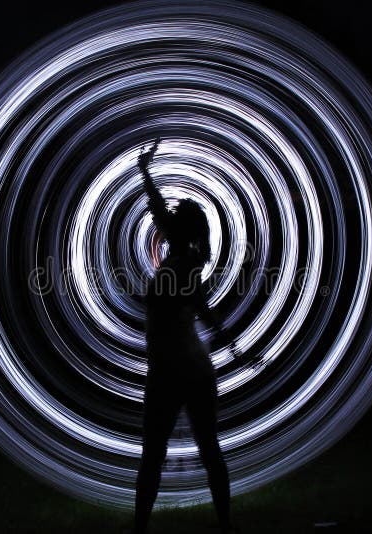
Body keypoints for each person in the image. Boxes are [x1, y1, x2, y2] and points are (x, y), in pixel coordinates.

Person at [134, 139, 240, 534]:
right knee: (193, 450)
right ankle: (223, 525)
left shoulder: (185, 267)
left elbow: (201, 309)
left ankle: (147, 528)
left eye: (175, 216)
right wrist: (145, 171)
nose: (167, 216)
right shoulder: (182, 258)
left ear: (181, 230)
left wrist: (231, 343)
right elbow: (160, 213)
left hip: (176, 369)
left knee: (160, 453)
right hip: (184, 368)